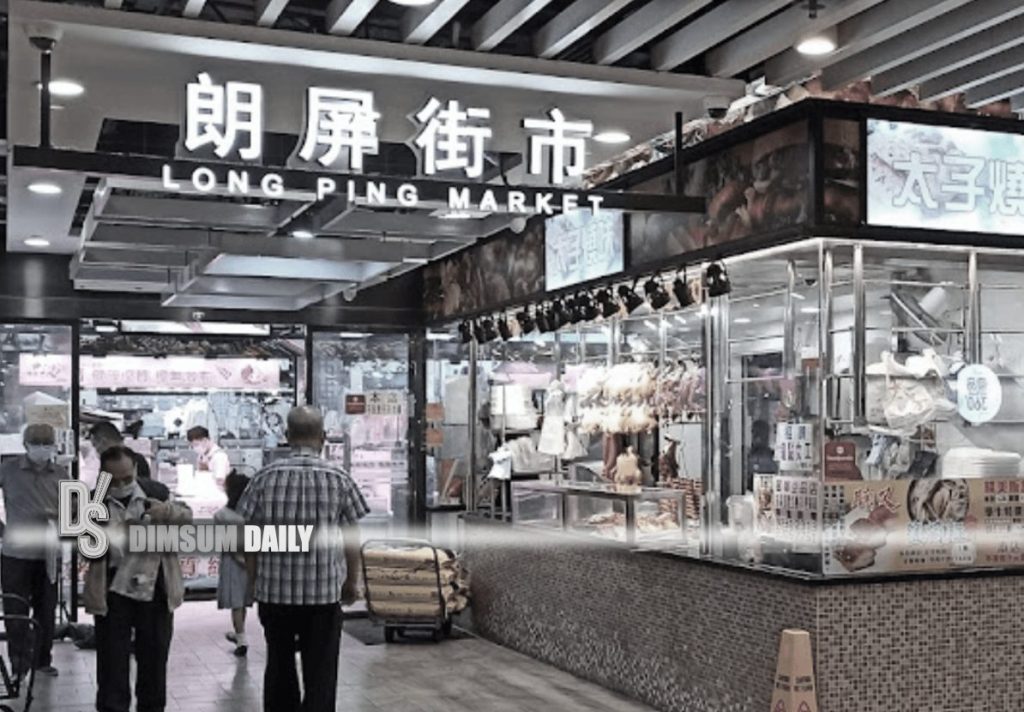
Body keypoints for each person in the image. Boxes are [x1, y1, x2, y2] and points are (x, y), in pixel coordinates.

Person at [238, 406, 368, 712]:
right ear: (322, 437)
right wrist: (352, 582)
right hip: (323, 595)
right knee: (321, 671)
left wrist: (252, 583)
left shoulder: (264, 478)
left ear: (287, 436)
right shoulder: (339, 478)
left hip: (275, 594)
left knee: (279, 666)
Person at [83, 446, 192, 712]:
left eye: (127, 478)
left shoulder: (156, 493)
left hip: (154, 587)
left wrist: (167, 513)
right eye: (114, 480)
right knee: (112, 662)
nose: (121, 485)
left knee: (154, 659)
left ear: (136, 471)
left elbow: (187, 520)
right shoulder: (91, 501)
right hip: (112, 587)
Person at [0, 423, 67, 678]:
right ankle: (18, 662)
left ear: (53, 446)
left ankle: (42, 659)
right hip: (15, 554)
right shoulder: (9, 470)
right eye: (36, 443)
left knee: (46, 608)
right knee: (16, 610)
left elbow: (74, 510)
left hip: (49, 553)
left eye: (46, 443)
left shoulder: (61, 474)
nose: (41, 449)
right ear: (25, 445)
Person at [213, 471, 252, 657]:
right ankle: (239, 634)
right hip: (252, 561)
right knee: (244, 601)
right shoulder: (252, 514)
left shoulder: (222, 515)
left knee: (237, 602)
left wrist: (239, 559)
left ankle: (241, 637)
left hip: (233, 563)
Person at [88, 421, 170, 500]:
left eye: (95, 445)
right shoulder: (107, 463)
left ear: (103, 441)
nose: (121, 485)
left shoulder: (137, 461)